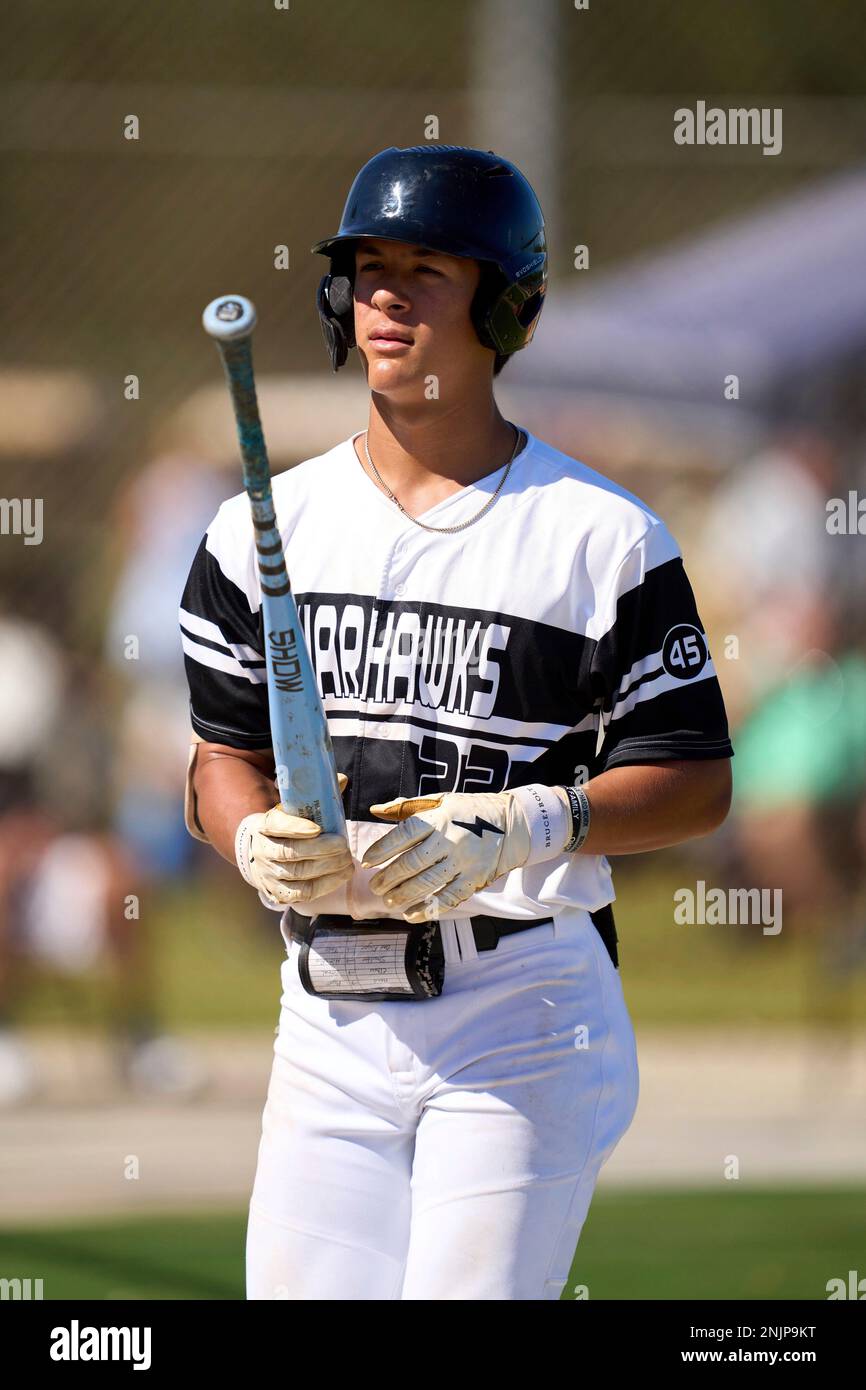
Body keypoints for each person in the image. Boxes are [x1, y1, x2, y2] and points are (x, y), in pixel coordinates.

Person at [178, 145, 734, 1300]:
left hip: (518, 1013)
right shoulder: (256, 529)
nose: (383, 294)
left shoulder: (598, 537)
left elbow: (692, 779)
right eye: (365, 267)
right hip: (325, 1016)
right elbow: (216, 760)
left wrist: (528, 821)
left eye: (424, 268)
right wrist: (243, 838)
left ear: (504, 302)